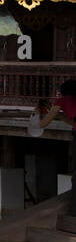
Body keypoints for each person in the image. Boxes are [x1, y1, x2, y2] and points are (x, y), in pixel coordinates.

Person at [36, 80, 76, 214]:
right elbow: (72, 122)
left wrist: (37, 114)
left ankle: (74, 211)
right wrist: (60, 115)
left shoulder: (62, 101)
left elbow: (43, 124)